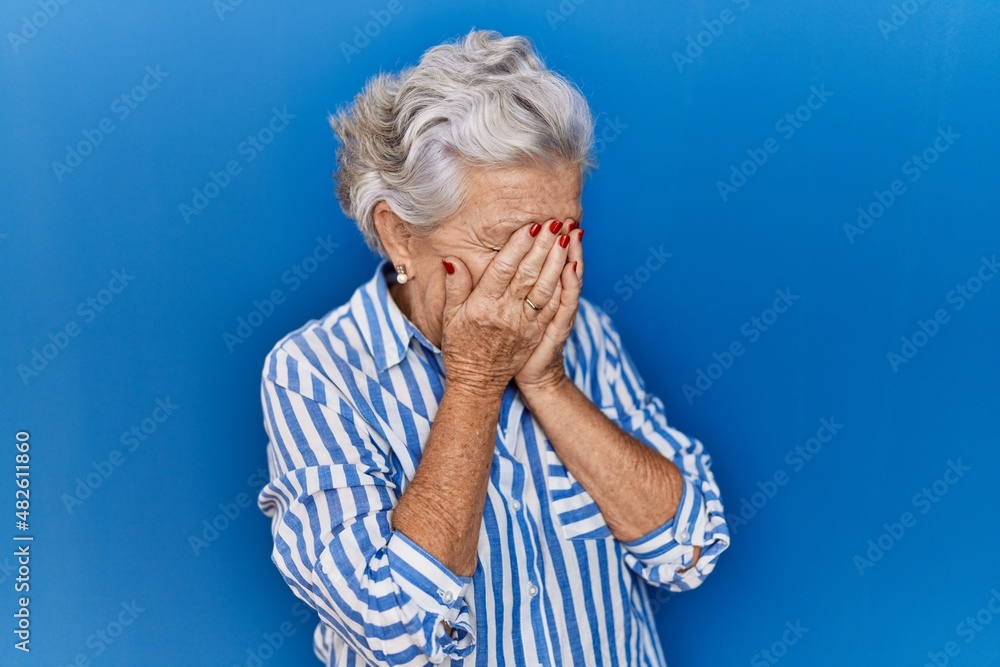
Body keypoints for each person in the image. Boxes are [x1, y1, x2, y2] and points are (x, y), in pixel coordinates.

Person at [257, 29, 730, 667]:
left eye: (562, 235)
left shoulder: (582, 329)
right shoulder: (314, 373)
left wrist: (549, 385)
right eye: (508, 241)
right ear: (399, 236)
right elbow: (397, 633)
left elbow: (691, 551)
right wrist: (476, 381)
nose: (542, 269)